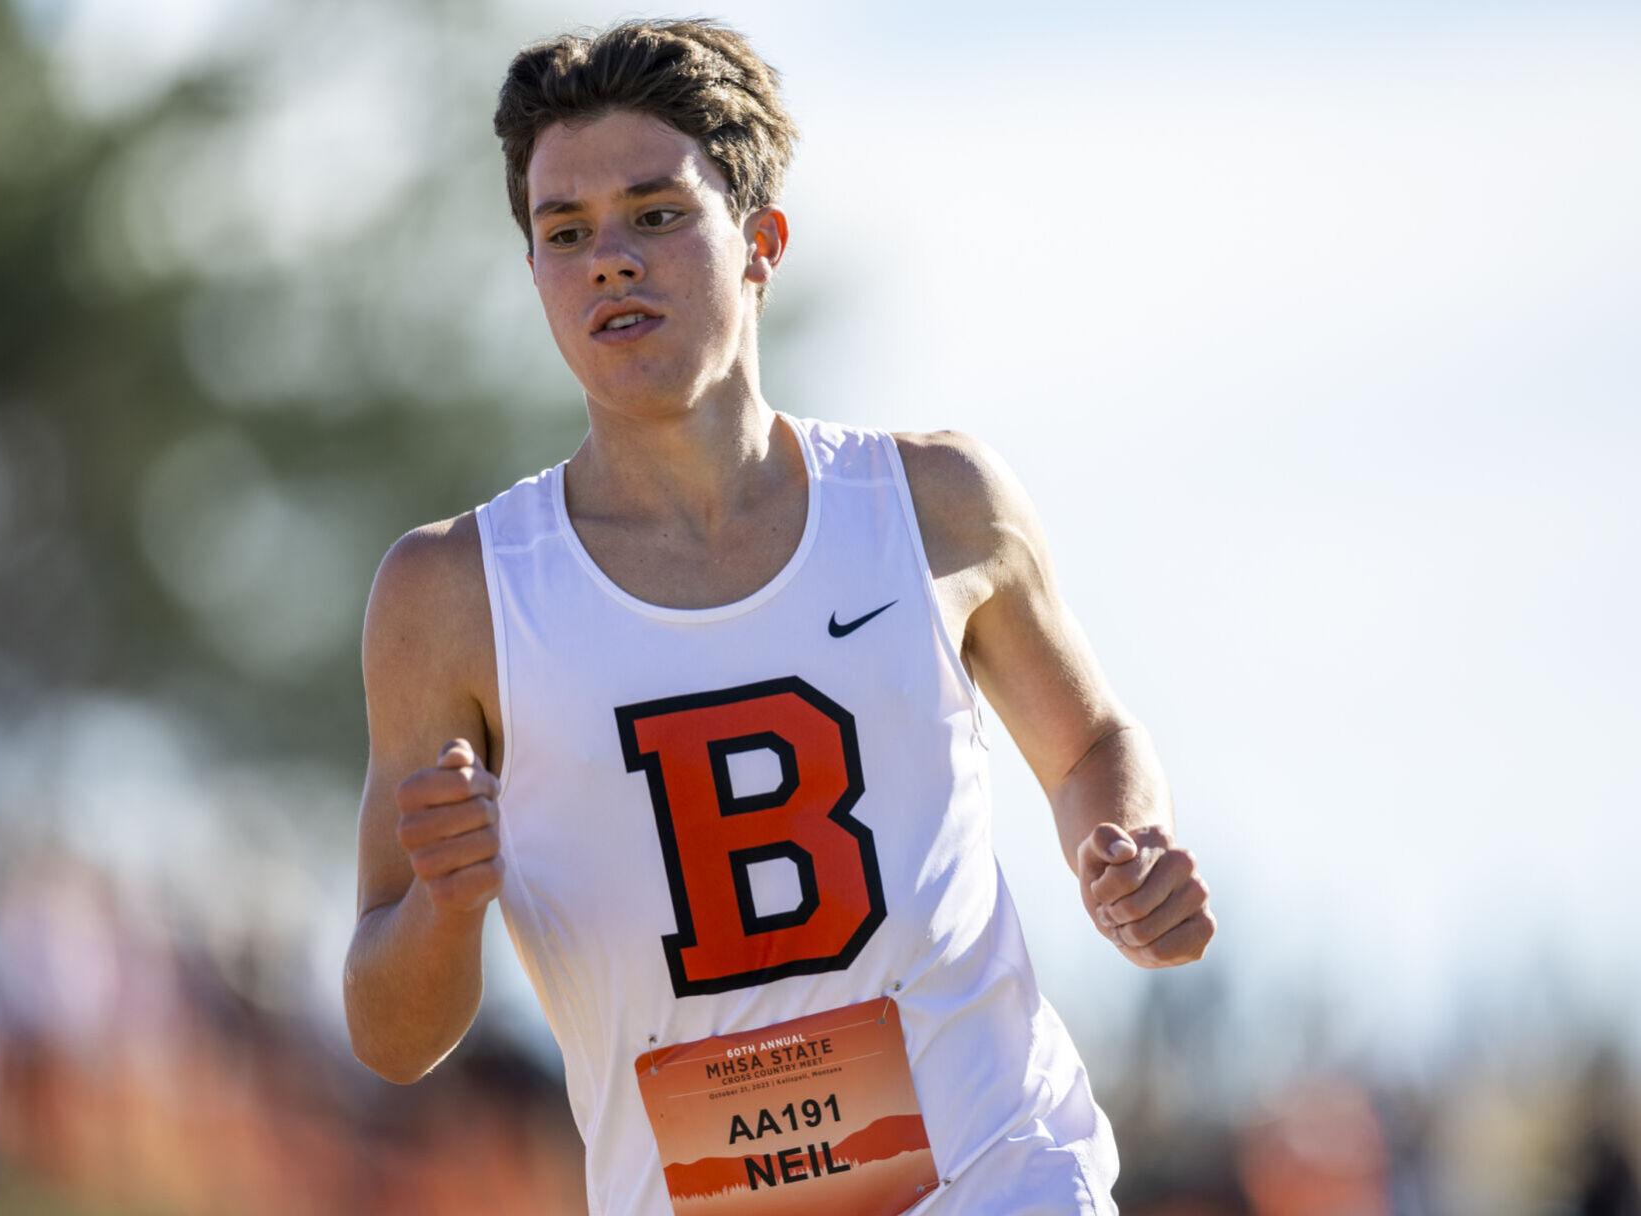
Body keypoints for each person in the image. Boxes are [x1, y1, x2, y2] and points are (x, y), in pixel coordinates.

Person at [342, 17, 1215, 1215]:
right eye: (564, 232)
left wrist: (1124, 850)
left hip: (1004, 1177)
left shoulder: (936, 504)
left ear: (760, 243)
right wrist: (447, 905)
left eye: (655, 214)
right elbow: (390, 1037)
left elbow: (1091, 745)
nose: (609, 260)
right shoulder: (452, 594)